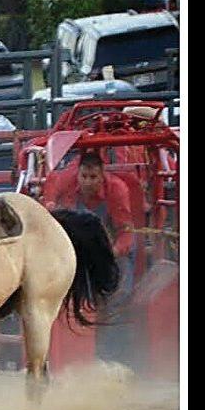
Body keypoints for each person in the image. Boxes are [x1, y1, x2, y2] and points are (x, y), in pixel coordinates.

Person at [43, 149, 137, 363]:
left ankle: (111, 354)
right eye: (84, 176)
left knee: (118, 295)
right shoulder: (65, 181)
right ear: (78, 174)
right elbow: (49, 191)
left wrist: (110, 254)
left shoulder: (117, 190)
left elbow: (125, 232)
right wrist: (49, 204)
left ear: (102, 175)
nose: (87, 182)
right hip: (76, 251)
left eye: (93, 177)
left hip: (110, 250)